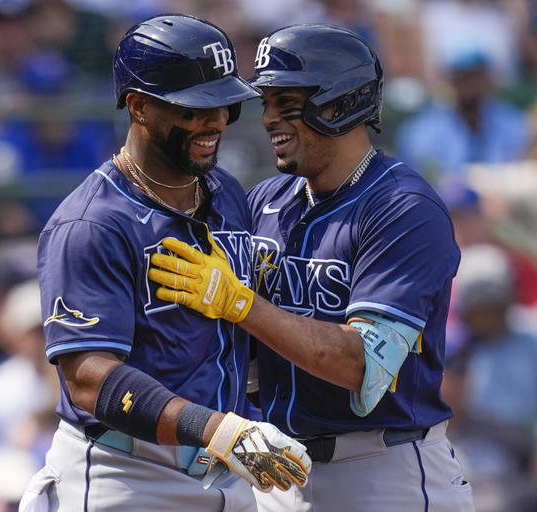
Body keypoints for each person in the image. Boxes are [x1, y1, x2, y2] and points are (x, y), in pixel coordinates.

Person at [149, 23, 475, 511]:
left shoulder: (403, 208)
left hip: (383, 470)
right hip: (281, 470)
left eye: (287, 103)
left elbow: (361, 365)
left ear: (339, 104)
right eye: (267, 104)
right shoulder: (265, 202)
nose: (268, 120)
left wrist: (239, 304)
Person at [18, 14, 310, 512]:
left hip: (226, 473)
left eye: (223, 104)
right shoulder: (92, 223)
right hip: (126, 475)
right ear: (139, 107)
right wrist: (215, 427)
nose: (215, 121)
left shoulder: (226, 194)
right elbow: (88, 376)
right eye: (195, 108)